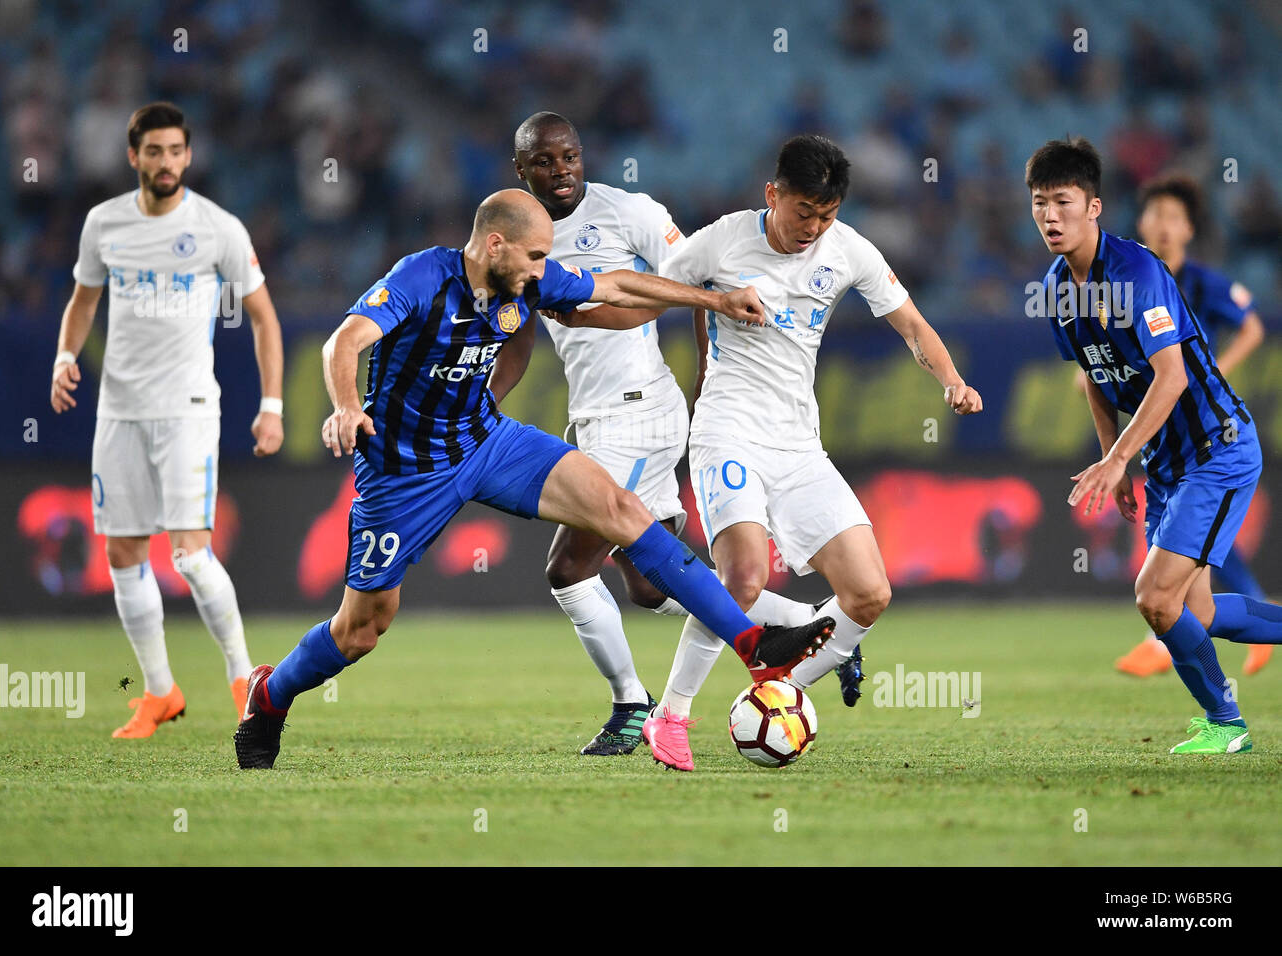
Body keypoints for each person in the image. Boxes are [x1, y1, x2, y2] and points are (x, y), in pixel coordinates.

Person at [233, 189, 835, 770]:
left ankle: (752, 645)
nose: (545, 269)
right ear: (495, 245)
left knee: (623, 511)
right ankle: (272, 693)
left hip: (485, 440)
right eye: (536, 256)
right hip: (405, 475)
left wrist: (717, 300)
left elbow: (619, 284)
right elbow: (344, 342)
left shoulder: (531, 278)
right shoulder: (421, 277)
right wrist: (345, 406)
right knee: (362, 628)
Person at [636, 135, 984, 770]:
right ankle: (672, 715)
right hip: (728, 430)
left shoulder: (847, 249)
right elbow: (656, 289)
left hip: (799, 445)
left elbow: (911, 324)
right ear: (773, 195)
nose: (815, 228)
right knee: (741, 579)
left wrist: (952, 382)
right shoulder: (722, 239)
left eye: (827, 214)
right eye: (804, 212)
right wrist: (705, 323)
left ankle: (786, 686)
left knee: (869, 594)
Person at [498, 111, 821, 756]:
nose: (560, 171)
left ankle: (630, 707)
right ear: (522, 170)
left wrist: (710, 372)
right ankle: (813, 627)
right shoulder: (520, 239)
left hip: (640, 415)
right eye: (544, 162)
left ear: (582, 157)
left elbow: (700, 280)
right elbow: (519, 337)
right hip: (595, 419)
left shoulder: (629, 213)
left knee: (567, 569)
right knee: (651, 586)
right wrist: (479, 400)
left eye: (569, 157)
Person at [1026, 136, 1282, 754]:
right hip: (1167, 466)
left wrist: (1117, 461)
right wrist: (1117, 457)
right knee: (1199, 612)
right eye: (1039, 204)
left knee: (1154, 597)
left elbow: (1172, 376)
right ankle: (1224, 722)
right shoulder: (1058, 288)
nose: (1050, 217)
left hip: (1216, 450)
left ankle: (1226, 725)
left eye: (1063, 202)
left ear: (1094, 207)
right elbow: (1093, 374)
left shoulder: (1137, 271)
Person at [50, 102, 284, 738]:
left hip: (186, 410)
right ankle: (160, 691)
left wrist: (272, 406)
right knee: (123, 551)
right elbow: (82, 301)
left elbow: (263, 316)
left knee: (188, 552)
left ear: (188, 155)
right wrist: (65, 356)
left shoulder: (217, 228)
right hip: (119, 412)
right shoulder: (104, 224)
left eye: (175, 151)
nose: (165, 162)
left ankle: (244, 679)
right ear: (134, 157)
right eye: (152, 151)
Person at [1110, 173, 1271, 678]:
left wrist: (1218, 367)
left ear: (1189, 230)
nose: (1161, 226)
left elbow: (1252, 326)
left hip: (1212, 439)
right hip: (1166, 451)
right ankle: (1214, 696)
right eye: (1154, 214)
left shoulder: (1201, 283)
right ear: (1140, 222)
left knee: (1168, 587)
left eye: (1173, 218)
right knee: (1194, 597)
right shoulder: (1128, 280)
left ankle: (1218, 709)